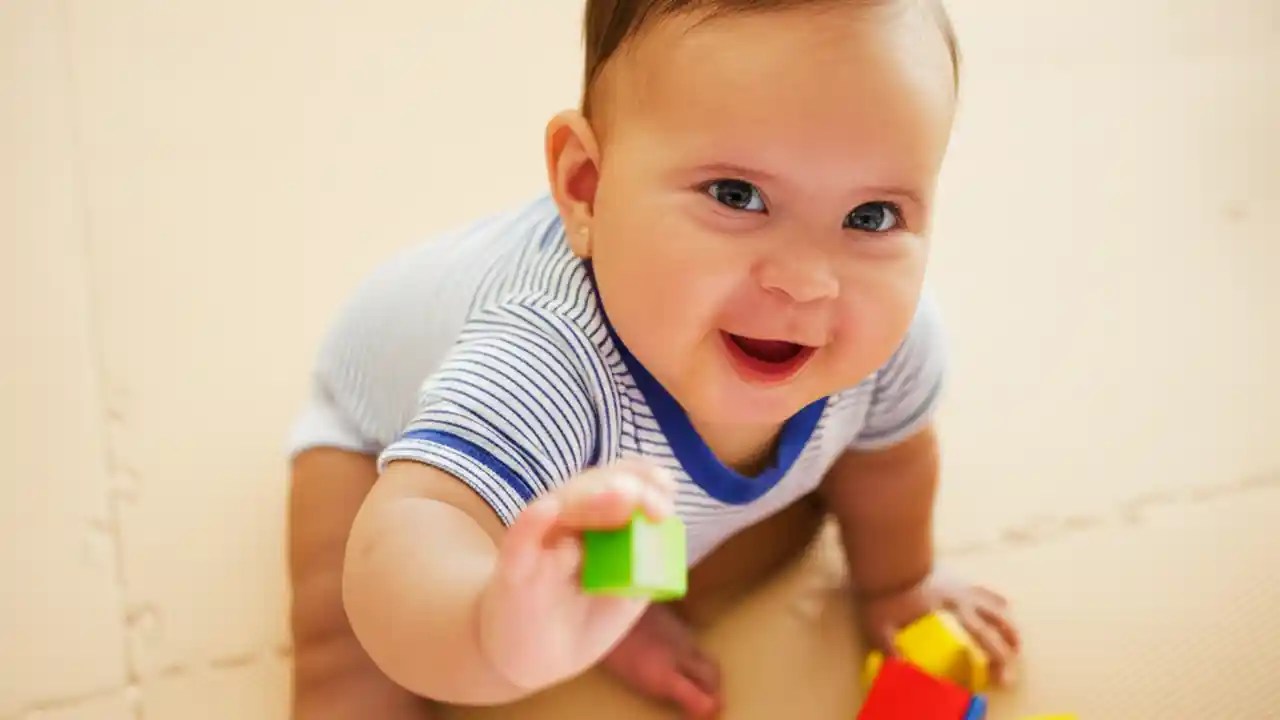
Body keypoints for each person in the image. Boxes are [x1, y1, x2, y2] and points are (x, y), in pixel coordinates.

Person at [287, 1, 1021, 717]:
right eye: (738, 196)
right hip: (377, 435)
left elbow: (891, 459)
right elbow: (425, 519)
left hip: (613, 478)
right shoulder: (544, 360)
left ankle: (609, 596)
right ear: (587, 187)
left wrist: (900, 582)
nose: (807, 282)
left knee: (796, 521)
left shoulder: (887, 338)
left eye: (871, 217)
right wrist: (495, 629)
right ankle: (574, 598)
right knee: (350, 651)